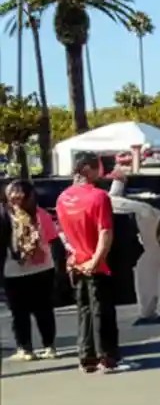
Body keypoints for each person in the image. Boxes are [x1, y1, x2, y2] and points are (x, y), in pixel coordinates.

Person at [56, 152, 127, 373]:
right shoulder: (99, 197)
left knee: (84, 310)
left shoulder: (63, 198)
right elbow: (105, 231)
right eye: (98, 166)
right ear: (87, 169)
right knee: (102, 311)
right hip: (96, 263)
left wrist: (73, 257)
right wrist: (97, 259)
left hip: (77, 261)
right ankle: (107, 358)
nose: (101, 171)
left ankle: (86, 357)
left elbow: (63, 233)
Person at [1, 180, 59, 360]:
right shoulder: (42, 215)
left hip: (14, 270)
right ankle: (49, 346)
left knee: (19, 313)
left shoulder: (4, 216)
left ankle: (25, 349)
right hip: (43, 268)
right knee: (44, 309)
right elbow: (54, 241)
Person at [106, 171, 160, 323]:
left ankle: (146, 310)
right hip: (148, 245)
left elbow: (111, 200)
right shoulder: (147, 206)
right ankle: (148, 310)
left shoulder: (118, 203)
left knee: (143, 280)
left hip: (136, 246)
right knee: (148, 280)